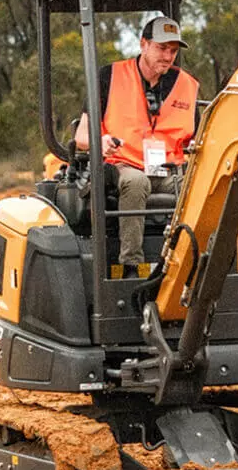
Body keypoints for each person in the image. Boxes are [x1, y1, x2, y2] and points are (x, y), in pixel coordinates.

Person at [75, 16, 199, 278]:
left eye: (173, 51)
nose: (168, 56)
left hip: (167, 170)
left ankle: (189, 261)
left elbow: (197, 141)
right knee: (136, 182)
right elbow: (81, 136)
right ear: (143, 44)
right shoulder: (109, 76)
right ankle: (131, 265)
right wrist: (101, 142)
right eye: (161, 48)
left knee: (198, 186)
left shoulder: (187, 85)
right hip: (121, 165)